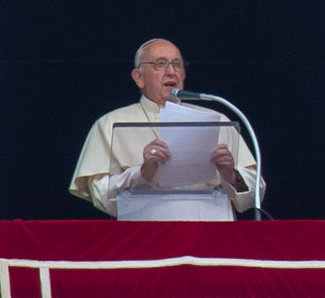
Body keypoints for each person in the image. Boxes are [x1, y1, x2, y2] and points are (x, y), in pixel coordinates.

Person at [68, 37, 263, 220]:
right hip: (145, 237)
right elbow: (101, 197)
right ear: (139, 78)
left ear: (184, 74)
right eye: (160, 64)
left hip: (210, 235)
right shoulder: (110, 123)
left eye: (177, 64)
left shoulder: (218, 121)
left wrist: (232, 175)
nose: (171, 71)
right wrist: (142, 173)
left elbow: (256, 193)